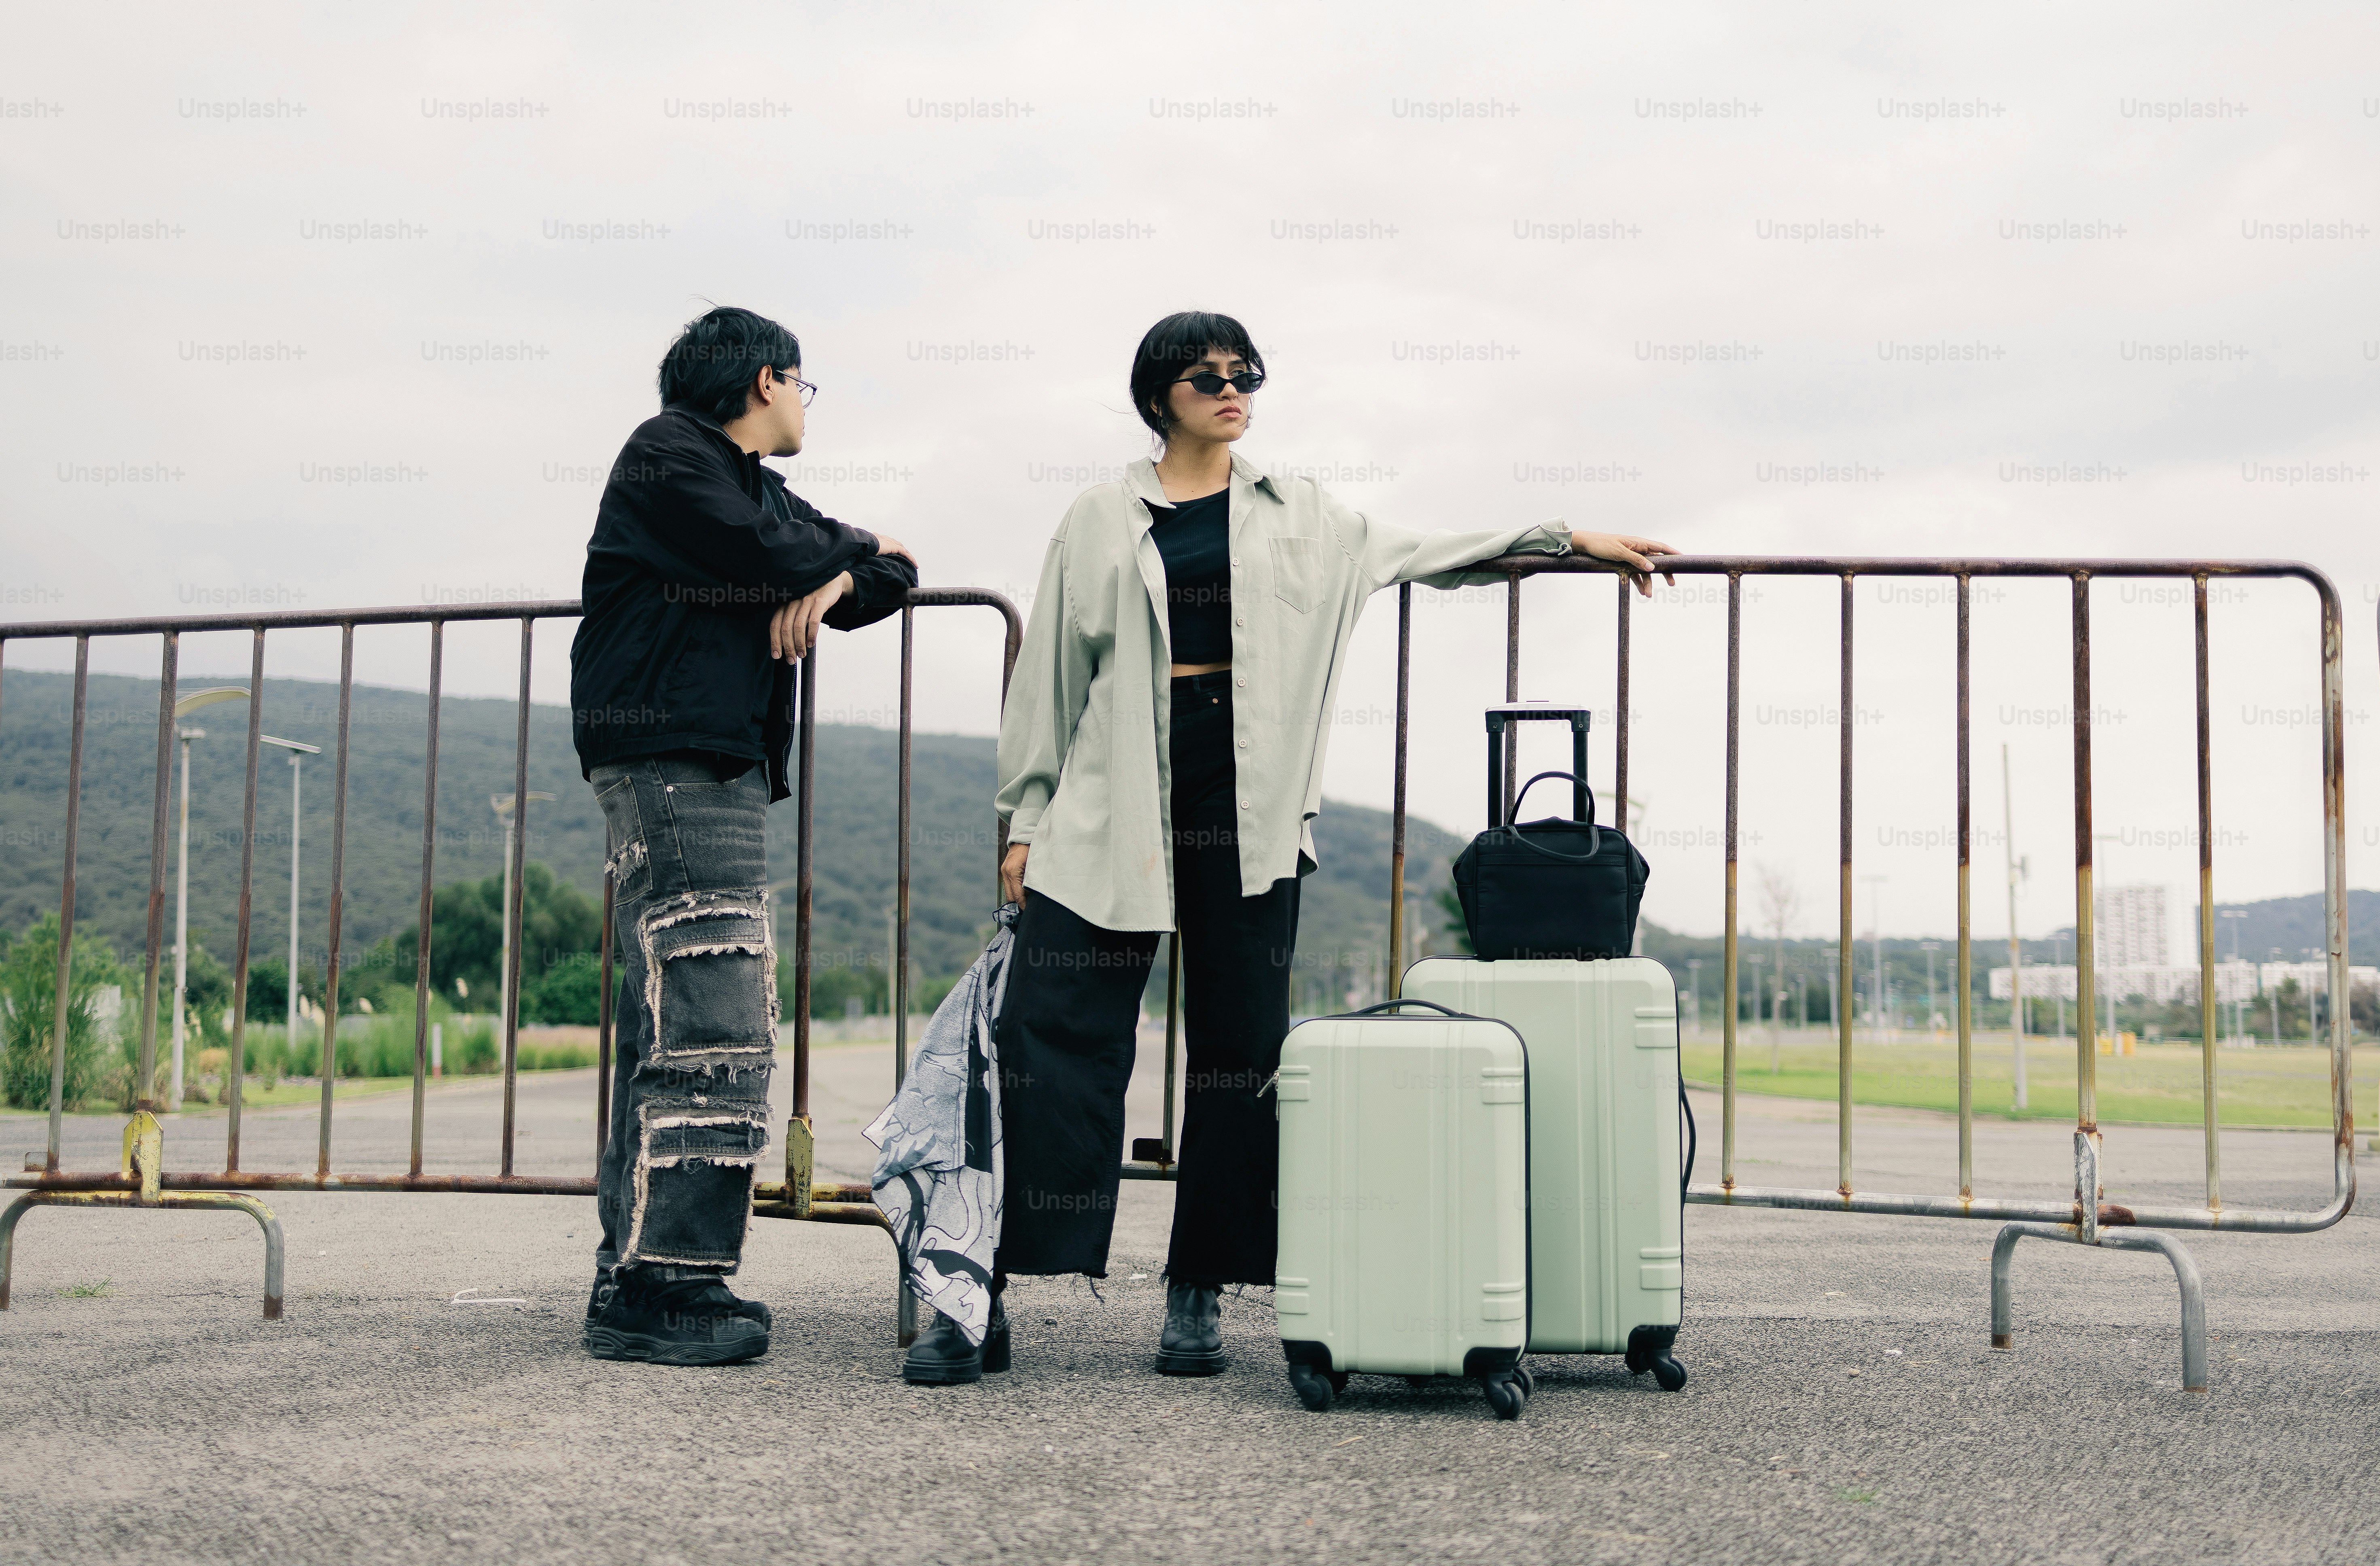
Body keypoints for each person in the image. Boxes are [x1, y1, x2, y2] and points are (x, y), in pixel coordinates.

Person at [899, 309, 1674, 1382]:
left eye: (1245, 371)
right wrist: (1026, 819)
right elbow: (1049, 685)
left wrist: (1564, 539)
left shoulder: (1304, 516)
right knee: (1050, 1041)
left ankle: (1198, 1291)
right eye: (1206, 374)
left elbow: (1435, 554)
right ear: (1159, 395)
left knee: (1239, 1051)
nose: (1232, 388)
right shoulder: (1096, 518)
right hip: (1110, 801)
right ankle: (980, 1290)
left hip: (1250, 810)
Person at [570, 306, 916, 1365]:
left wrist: (847, 572)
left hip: (705, 762)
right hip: (675, 760)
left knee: (676, 1016)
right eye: (802, 387)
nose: (803, 407)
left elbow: (882, 568)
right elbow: (763, 554)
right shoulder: (670, 456)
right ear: (767, 380)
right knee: (714, 1016)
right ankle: (665, 1286)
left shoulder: (747, 481)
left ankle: (639, 1272)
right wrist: (826, 562)